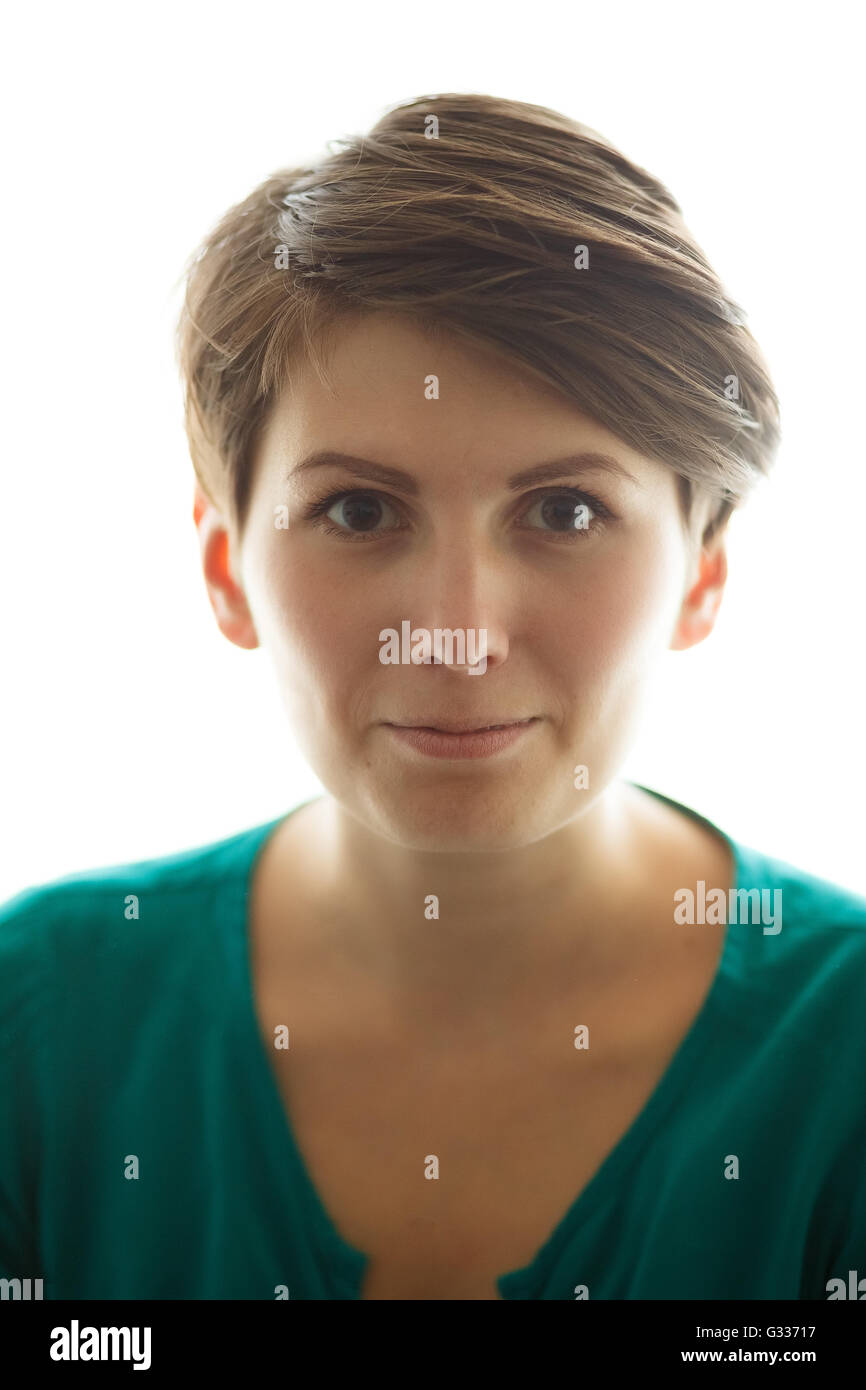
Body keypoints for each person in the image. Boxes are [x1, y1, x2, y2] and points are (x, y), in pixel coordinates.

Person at [2, 92, 864, 1302]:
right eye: (358, 511)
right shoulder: (35, 1026)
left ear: (701, 570)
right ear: (225, 570)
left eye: (565, 511)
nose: (455, 635)